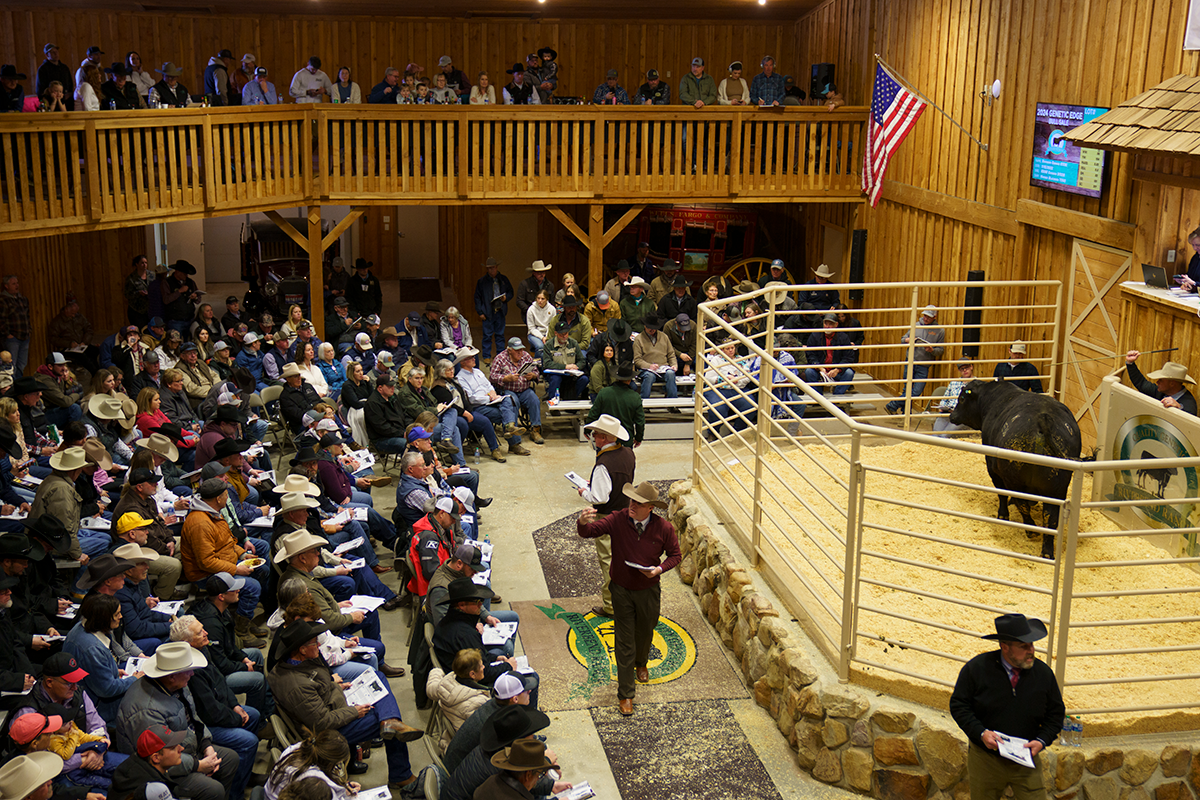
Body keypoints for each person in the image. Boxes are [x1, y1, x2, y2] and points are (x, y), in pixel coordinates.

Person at [268, 619, 422, 796]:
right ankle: (400, 772)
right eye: (314, 643)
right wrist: (354, 711)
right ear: (302, 650)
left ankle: (390, 721)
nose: (319, 645)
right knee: (386, 723)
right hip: (325, 733)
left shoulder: (301, 662)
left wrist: (336, 687)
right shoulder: (295, 685)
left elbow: (320, 685)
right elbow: (322, 723)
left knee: (377, 677)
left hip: (335, 703)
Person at [576, 482, 679, 716]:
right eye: (631, 500)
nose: (631, 505)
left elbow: (675, 555)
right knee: (623, 641)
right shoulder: (618, 519)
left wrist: (658, 570)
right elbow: (590, 531)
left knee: (646, 629)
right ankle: (625, 694)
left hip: (649, 591)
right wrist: (583, 522)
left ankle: (642, 662)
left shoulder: (664, 528)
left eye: (637, 503)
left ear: (650, 508)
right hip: (621, 590)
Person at [950, 613, 1065, 800]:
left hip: (1026, 758)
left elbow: (1056, 714)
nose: (1031, 651)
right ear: (1005, 647)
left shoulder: (1043, 674)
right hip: (986, 758)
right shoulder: (977, 669)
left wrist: (1042, 740)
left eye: (1032, 644)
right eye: (1024, 646)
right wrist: (981, 733)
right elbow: (959, 705)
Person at [112, 641, 241, 800]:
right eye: (188, 670)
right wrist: (198, 765)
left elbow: (194, 717)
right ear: (172, 676)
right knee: (214, 789)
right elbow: (158, 759)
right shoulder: (146, 711)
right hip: (160, 772)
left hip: (183, 748)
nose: (192, 674)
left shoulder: (177, 684)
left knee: (230, 759)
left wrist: (206, 745)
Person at [885, 305, 945, 414]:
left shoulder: (940, 331)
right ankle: (906, 415)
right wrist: (910, 340)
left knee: (916, 392)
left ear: (934, 317)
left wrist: (932, 350)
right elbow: (903, 339)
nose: (926, 318)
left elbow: (940, 350)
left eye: (929, 317)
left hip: (924, 365)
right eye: (925, 316)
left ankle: (892, 405)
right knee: (907, 390)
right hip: (910, 362)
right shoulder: (915, 325)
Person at [265, 730, 358, 800]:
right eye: (337, 763)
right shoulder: (314, 778)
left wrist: (344, 787)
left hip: (271, 794)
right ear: (329, 762)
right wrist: (343, 792)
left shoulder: (302, 746)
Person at [108, 723, 186, 800]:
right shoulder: (150, 792)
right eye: (173, 748)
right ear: (156, 758)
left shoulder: (137, 766)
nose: (181, 748)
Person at [489, 339, 543, 445]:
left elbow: (536, 371)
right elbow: (492, 377)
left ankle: (535, 429)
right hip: (508, 389)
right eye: (517, 350)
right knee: (513, 402)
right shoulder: (500, 359)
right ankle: (512, 432)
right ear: (509, 350)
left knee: (534, 400)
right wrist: (506, 378)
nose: (520, 353)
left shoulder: (526, 356)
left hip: (524, 389)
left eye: (522, 350)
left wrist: (532, 375)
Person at [587, 363, 644, 447]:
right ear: (629, 380)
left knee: (603, 459)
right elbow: (640, 422)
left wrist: (587, 430)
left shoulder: (604, 392)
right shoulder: (635, 397)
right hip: (625, 440)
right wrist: (639, 438)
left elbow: (594, 413)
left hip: (604, 439)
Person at [1124, 352, 1198, 414]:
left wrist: (1179, 408)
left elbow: (1189, 420)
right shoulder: (1163, 391)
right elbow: (1142, 384)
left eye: (1161, 380)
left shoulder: (1189, 404)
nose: (1157, 382)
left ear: (1172, 384)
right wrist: (1130, 363)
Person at [804, 313, 856, 395]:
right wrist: (819, 367)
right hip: (820, 370)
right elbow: (810, 355)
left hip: (836, 371)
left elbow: (848, 357)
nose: (827, 326)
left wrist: (837, 369)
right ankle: (818, 398)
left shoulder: (844, 337)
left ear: (836, 324)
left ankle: (837, 397)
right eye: (825, 323)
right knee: (809, 372)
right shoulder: (814, 336)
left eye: (830, 324)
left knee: (849, 373)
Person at [474, 258, 514, 362]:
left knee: (500, 335)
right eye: (489, 268)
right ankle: (487, 356)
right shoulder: (482, 282)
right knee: (487, 335)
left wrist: (506, 298)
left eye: (493, 268)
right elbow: (477, 297)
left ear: (496, 268)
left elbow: (511, 292)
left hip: (500, 310)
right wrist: (480, 312)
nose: (491, 270)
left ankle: (500, 355)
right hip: (487, 311)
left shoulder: (504, 279)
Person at [632, 313, 677, 399]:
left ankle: (672, 402)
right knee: (649, 376)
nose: (652, 329)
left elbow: (671, 354)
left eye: (654, 328)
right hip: (646, 369)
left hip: (663, 368)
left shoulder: (664, 337)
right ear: (645, 326)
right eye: (649, 327)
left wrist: (674, 365)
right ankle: (644, 402)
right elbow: (637, 360)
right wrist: (649, 366)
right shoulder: (638, 339)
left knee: (671, 373)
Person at [542, 321, 588, 404]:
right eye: (561, 334)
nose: (564, 336)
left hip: (571, 374)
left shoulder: (573, 343)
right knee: (555, 379)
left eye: (566, 333)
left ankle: (570, 400)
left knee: (584, 379)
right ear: (556, 333)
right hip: (556, 374)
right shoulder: (549, 345)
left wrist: (577, 367)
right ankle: (553, 405)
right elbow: (547, 363)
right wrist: (565, 367)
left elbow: (582, 360)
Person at [933, 359, 976, 435]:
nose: (965, 370)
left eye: (967, 367)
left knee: (944, 436)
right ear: (959, 370)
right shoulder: (953, 383)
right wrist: (942, 407)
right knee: (935, 435)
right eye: (962, 369)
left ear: (971, 367)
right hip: (947, 414)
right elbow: (945, 398)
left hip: (961, 416)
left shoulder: (976, 384)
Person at [0, 275, 32, 376]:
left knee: (22, 364)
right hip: (13, 337)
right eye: (13, 284)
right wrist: (7, 333)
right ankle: (12, 387)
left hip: (25, 336)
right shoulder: (3, 300)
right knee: (11, 364)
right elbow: (1, 319)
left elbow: (27, 316)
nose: (17, 286)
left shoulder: (22, 299)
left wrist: (29, 330)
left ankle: (19, 385)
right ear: (6, 286)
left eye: (17, 283)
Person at [37, 44, 74, 110]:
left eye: (56, 51)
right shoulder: (43, 69)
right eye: (52, 52)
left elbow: (70, 84)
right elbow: (40, 88)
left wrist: (68, 94)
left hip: (65, 100)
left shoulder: (64, 68)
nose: (56, 53)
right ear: (47, 55)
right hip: (50, 100)